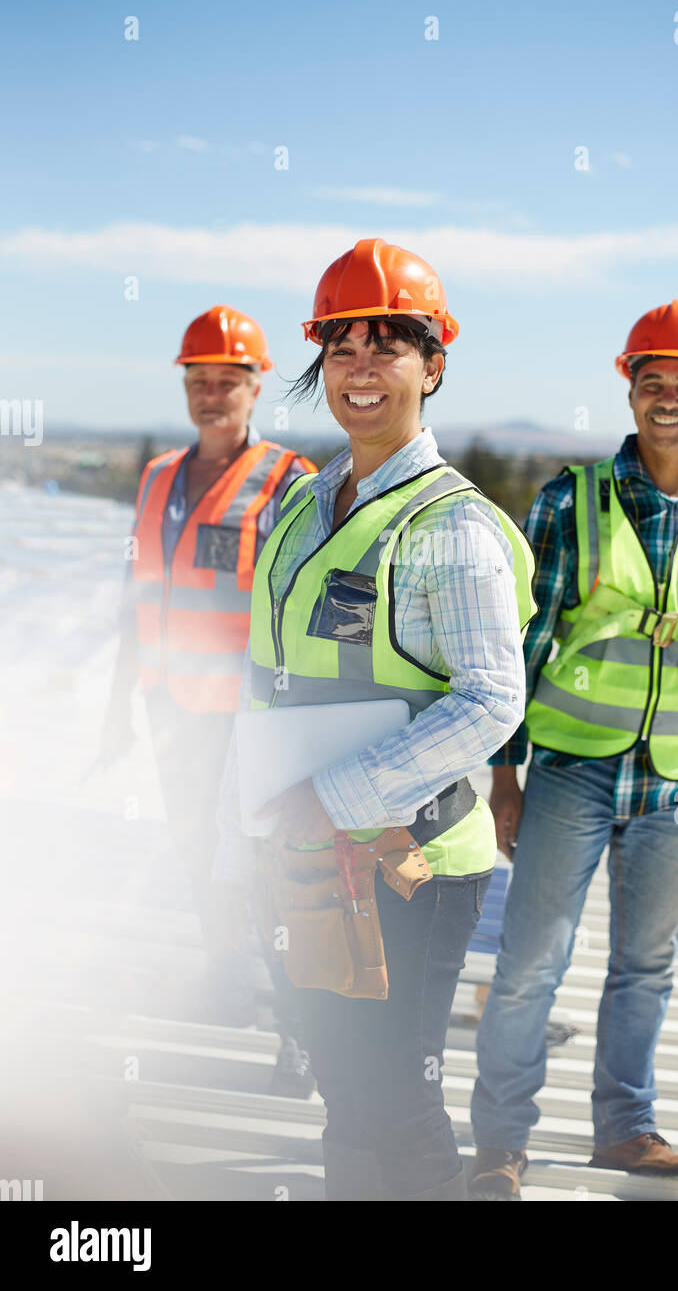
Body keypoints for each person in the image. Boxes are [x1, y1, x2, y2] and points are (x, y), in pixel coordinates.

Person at [214, 238, 537, 1201]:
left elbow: (492, 700)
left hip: (413, 865)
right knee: (345, 1090)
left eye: (388, 343)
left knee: (393, 1092)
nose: (362, 366)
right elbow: (270, 679)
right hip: (307, 851)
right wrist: (256, 825)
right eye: (342, 345)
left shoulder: (452, 525)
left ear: (431, 367)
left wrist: (332, 796)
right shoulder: (308, 505)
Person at [469, 300, 678, 1198]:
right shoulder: (568, 501)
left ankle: (626, 1128)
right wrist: (504, 774)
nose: (667, 399)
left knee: (646, 969)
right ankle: (501, 1142)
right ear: (629, 386)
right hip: (575, 770)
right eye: (651, 382)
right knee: (531, 962)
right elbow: (520, 649)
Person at [102, 305, 317, 1052]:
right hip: (172, 709)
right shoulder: (160, 475)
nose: (212, 394)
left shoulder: (290, 481)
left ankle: (300, 1023)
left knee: (268, 866)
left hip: (249, 718)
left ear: (257, 387)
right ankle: (226, 987)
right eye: (200, 379)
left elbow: (305, 613)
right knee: (197, 850)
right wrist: (117, 706)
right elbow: (135, 595)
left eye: (228, 380)